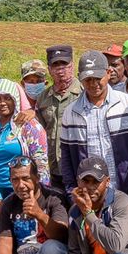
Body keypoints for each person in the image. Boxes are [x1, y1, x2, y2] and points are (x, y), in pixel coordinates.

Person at [58, 51, 128, 206]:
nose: (93, 84)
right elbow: (66, 157)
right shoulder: (71, 112)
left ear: (108, 73)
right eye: (88, 79)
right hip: (89, 199)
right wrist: (71, 192)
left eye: (98, 78)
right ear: (80, 78)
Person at [0, 88, 48, 189]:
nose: (2, 103)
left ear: (15, 100)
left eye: (7, 98)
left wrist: (41, 192)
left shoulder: (29, 126)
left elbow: (41, 163)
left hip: (23, 191)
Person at [36, 45, 82, 193]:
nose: (60, 70)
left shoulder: (84, 93)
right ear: (49, 69)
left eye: (65, 64)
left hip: (78, 166)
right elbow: (41, 132)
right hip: (53, 170)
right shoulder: (43, 98)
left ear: (72, 66)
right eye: (55, 65)